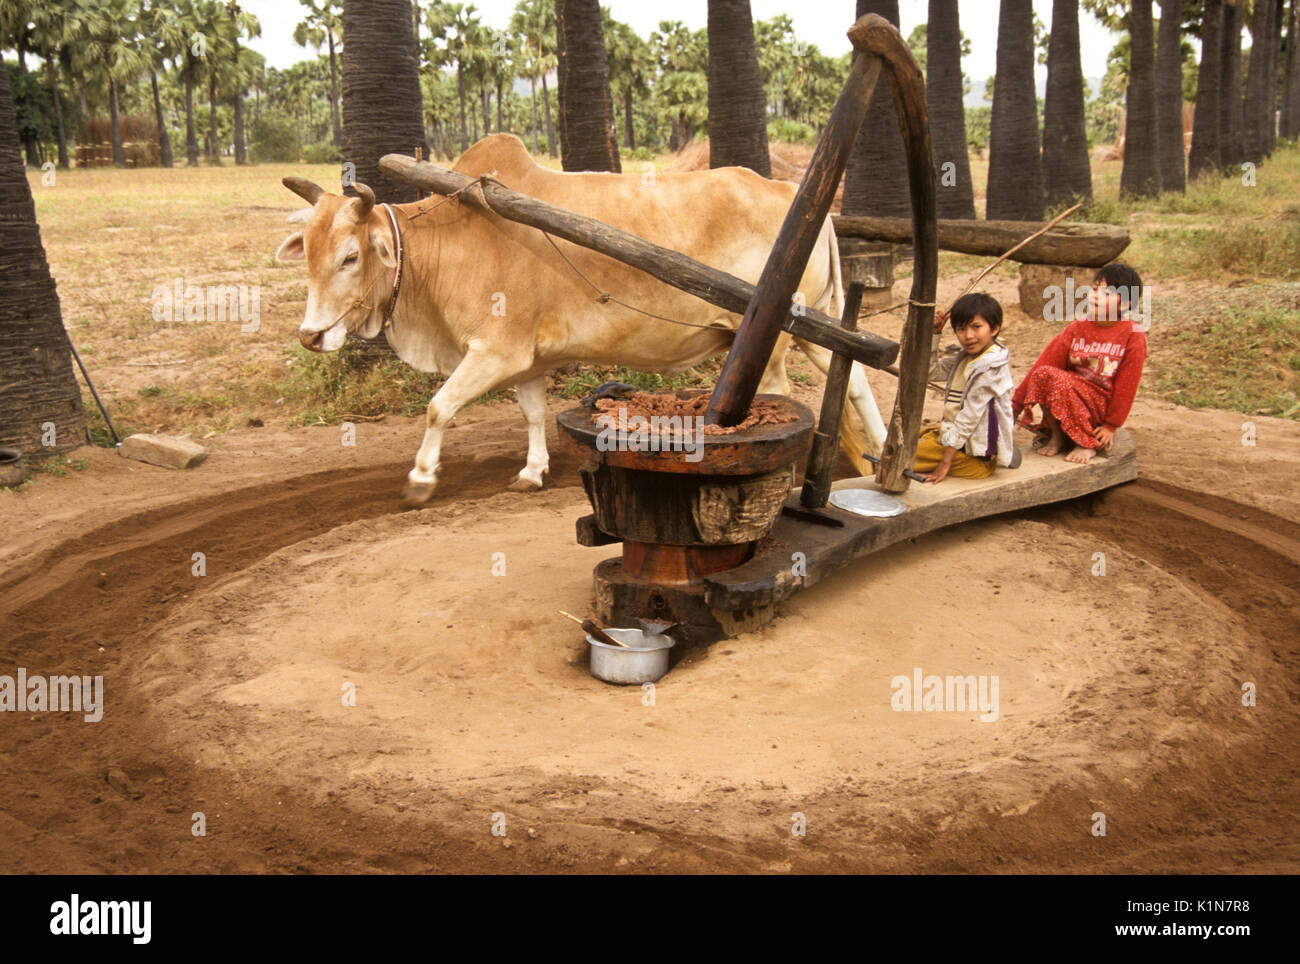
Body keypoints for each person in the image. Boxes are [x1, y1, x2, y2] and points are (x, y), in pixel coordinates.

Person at [1012, 262, 1147, 464]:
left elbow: (1126, 386)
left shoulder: (1132, 335)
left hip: (1099, 405)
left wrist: (1111, 425)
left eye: (1107, 293)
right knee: (1044, 374)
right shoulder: (1077, 328)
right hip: (1069, 396)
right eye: (1094, 289)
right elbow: (1042, 365)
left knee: (1062, 383)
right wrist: (1014, 408)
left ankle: (1087, 443)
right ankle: (1057, 435)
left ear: (1126, 304)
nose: (1095, 296)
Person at [914, 292, 1019, 483]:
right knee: (916, 437)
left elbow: (968, 418)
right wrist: (935, 335)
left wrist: (943, 465)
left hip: (972, 458)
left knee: (900, 454)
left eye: (976, 327)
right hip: (958, 440)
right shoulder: (965, 358)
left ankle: (996, 454)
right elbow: (930, 372)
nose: (968, 336)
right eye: (961, 329)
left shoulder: (989, 368)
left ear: (994, 329)